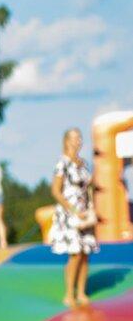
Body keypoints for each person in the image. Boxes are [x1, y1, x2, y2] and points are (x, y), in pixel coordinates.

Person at [49, 126, 98, 307]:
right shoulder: (62, 163)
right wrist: (73, 209)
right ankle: (69, 293)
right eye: (75, 137)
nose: (79, 141)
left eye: (80, 137)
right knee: (75, 253)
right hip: (70, 213)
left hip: (85, 213)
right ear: (67, 141)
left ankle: (82, 292)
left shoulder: (83, 164)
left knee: (85, 253)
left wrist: (90, 207)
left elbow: (87, 189)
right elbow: (55, 190)